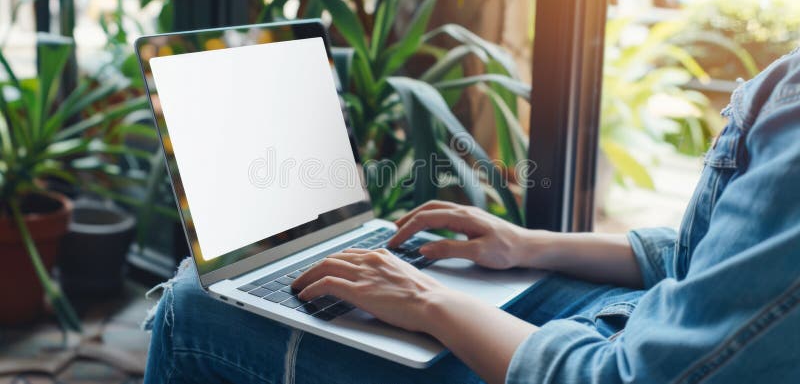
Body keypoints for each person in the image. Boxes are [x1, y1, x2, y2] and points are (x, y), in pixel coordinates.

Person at [143, 49, 800, 384]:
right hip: (645, 321)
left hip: (612, 353)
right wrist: (527, 245)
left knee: (193, 301)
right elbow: (706, 258)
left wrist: (429, 302)